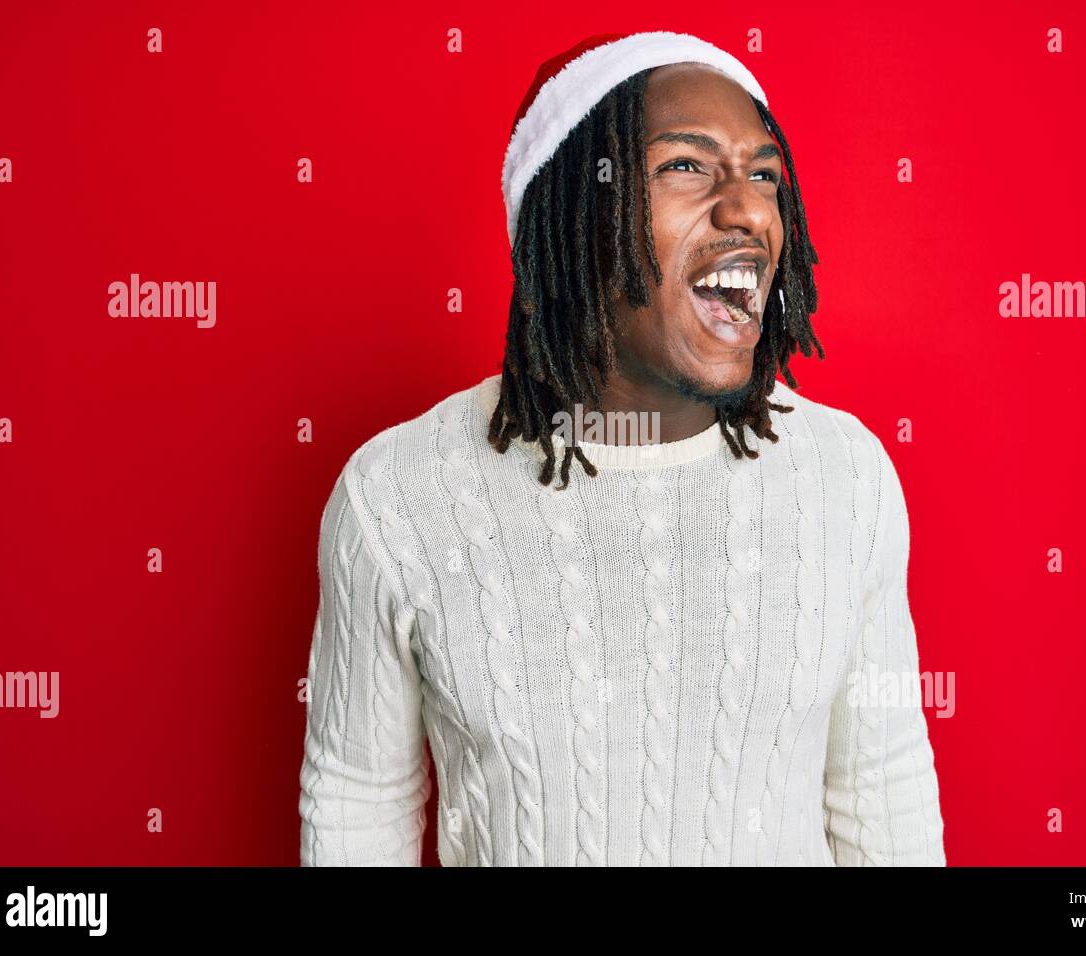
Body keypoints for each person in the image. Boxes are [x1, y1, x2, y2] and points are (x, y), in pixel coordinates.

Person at [298, 30, 947, 866]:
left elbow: (881, 795)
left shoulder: (846, 479)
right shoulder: (395, 497)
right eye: (686, 165)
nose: (749, 209)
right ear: (571, 214)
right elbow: (358, 805)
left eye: (764, 176)